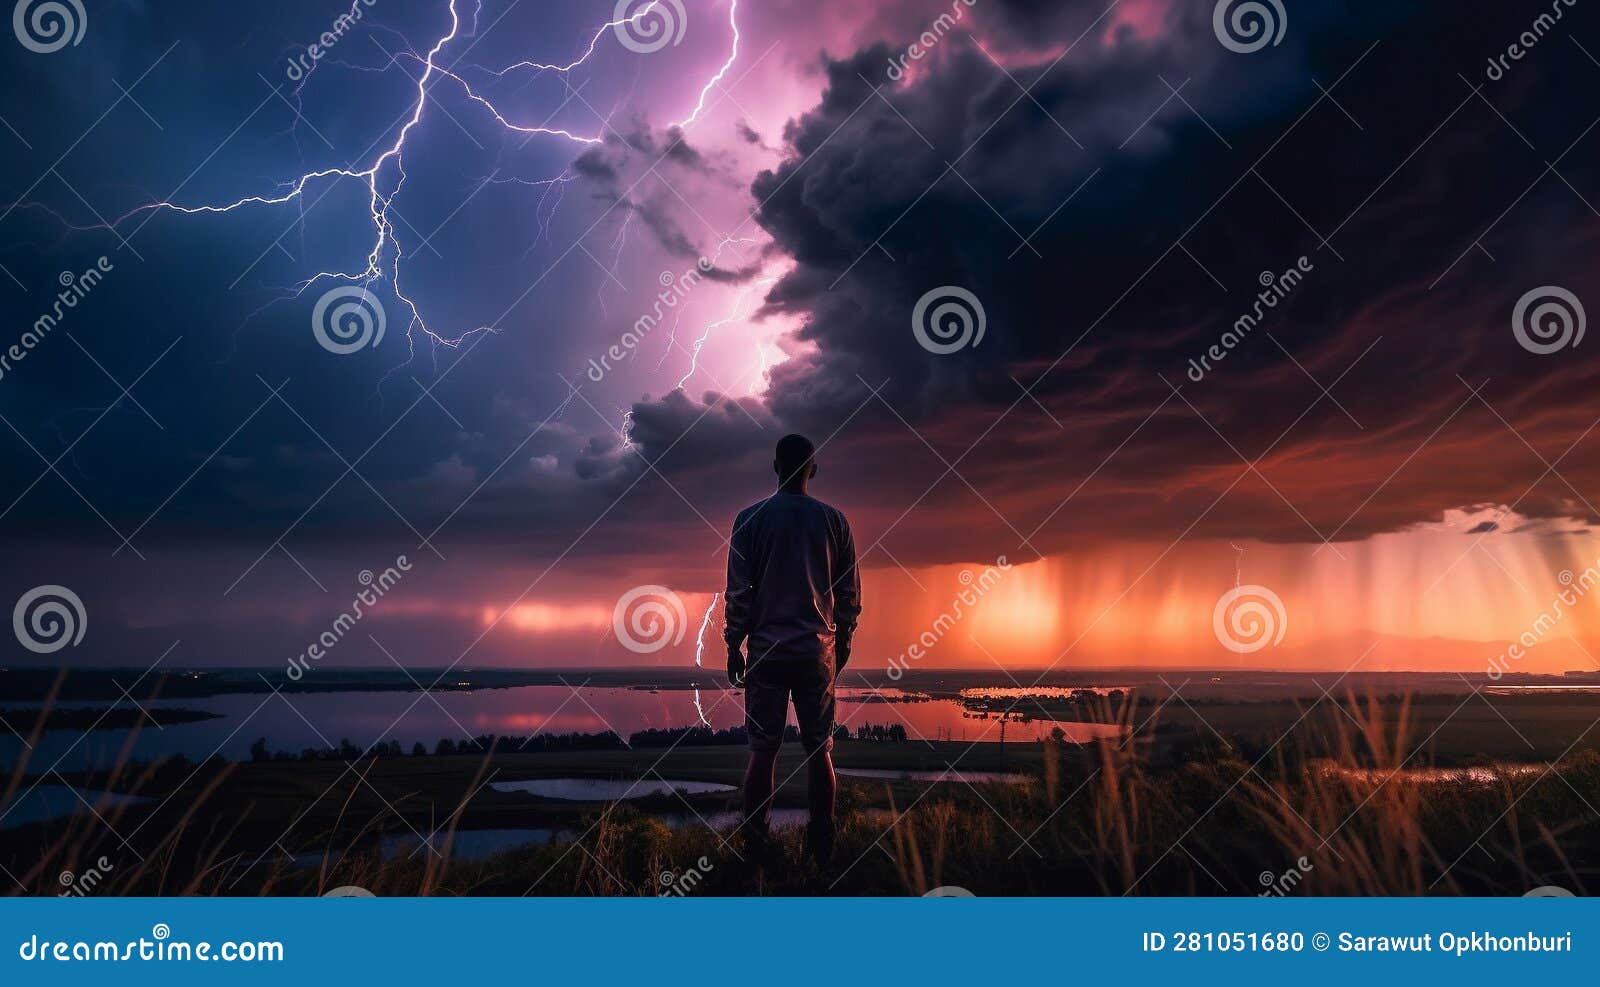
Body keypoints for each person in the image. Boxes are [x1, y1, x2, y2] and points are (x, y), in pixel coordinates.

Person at [724, 433, 861, 868]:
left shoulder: (749, 519)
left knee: (762, 750)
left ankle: (755, 848)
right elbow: (848, 592)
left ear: (775, 467)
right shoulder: (834, 521)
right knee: (819, 749)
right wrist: (844, 640)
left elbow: (739, 591)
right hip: (816, 653)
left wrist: (733, 642)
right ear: (812, 468)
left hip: (765, 650)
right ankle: (822, 845)